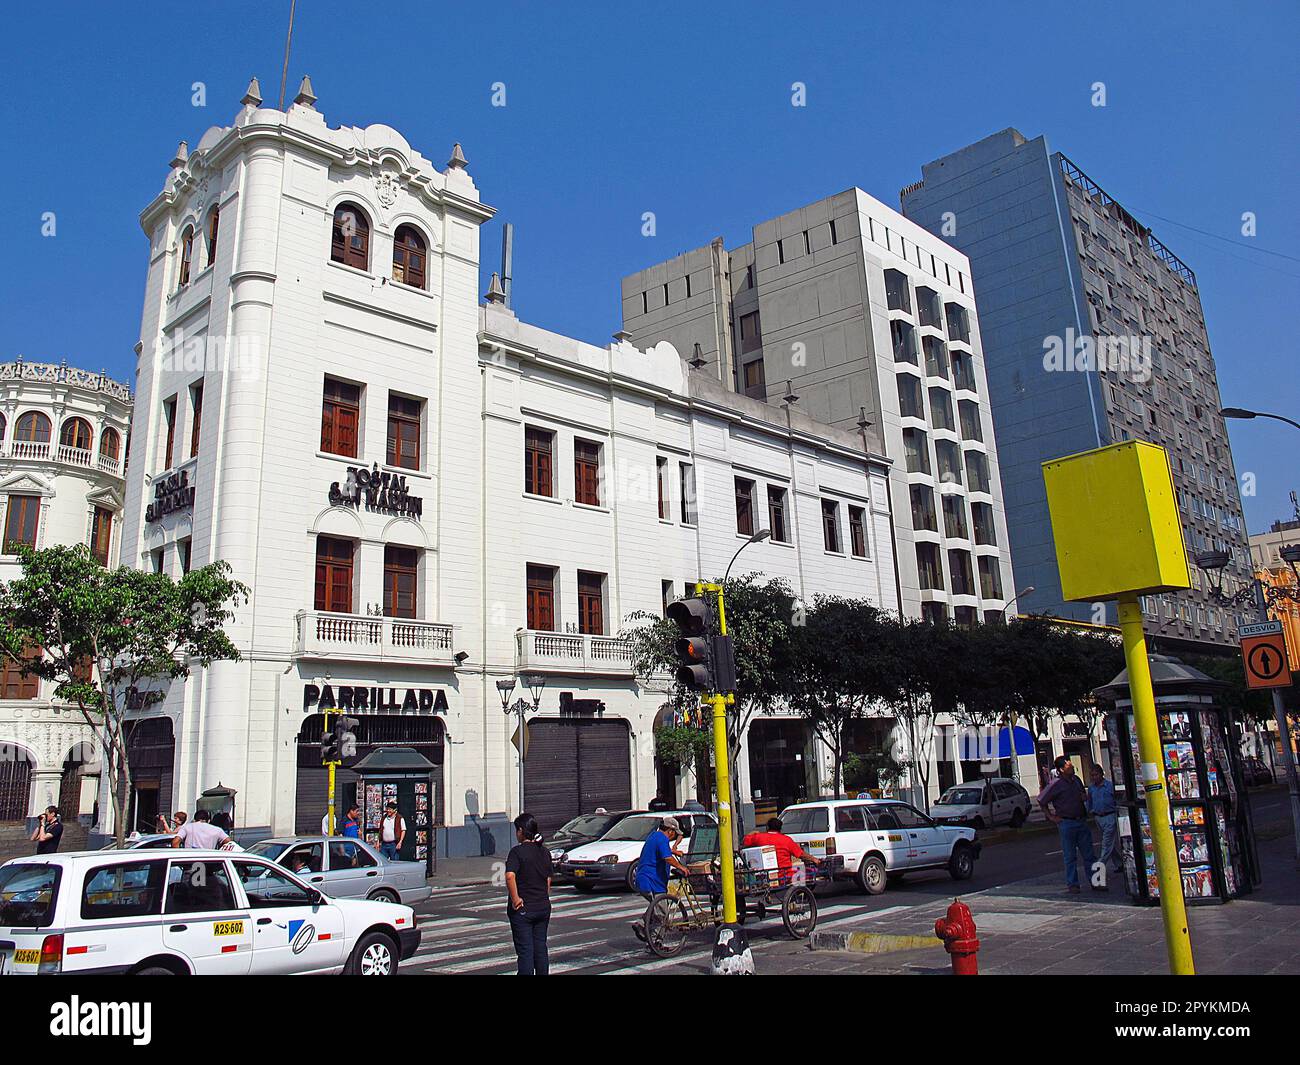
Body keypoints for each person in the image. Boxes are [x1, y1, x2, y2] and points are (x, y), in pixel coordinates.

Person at [1038, 756, 1100, 893]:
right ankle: (1073, 884)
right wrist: (1051, 817)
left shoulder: (1076, 780)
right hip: (1066, 822)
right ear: (1061, 769)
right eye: (1068, 766)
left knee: (1089, 854)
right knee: (1070, 856)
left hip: (1081, 820)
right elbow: (1042, 800)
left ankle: (1096, 881)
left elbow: (1083, 794)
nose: (1071, 767)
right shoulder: (1055, 784)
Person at [505, 812, 553, 976]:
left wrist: (515, 899)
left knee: (525, 951)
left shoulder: (517, 852)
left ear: (520, 831)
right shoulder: (544, 852)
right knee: (540, 948)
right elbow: (547, 879)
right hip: (542, 906)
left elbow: (510, 875)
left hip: (524, 910)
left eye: (516, 831)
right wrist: (543, 896)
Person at [631, 817, 692, 942]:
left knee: (658, 908)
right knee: (662, 912)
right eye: (674, 834)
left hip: (645, 879)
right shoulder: (662, 839)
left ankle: (645, 927)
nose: (674, 836)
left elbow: (662, 852)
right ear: (670, 830)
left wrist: (674, 850)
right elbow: (667, 858)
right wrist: (681, 867)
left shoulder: (654, 836)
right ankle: (652, 938)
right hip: (652, 881)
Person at [742, 817, 820, 882]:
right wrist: (813, 859)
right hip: (784, 875)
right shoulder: (786, 840)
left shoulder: (758, 837)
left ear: (767, 827)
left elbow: (745, 841)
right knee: (808, 872)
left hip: (764, 876)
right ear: (780, 828)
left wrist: (754, 833)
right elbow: (801, 854)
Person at [1087, 765, 1120, 876]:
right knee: (1109, 843)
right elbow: (1090, 801)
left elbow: (1117, 800)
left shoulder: (1109, 786)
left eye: (1096, 775)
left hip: (1109, 815)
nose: (1094, 777)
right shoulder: (1092, 788)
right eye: (1092, 775)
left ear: (1102, 774)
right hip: (1098, 817)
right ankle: (1119, 863)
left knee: (1106, 843)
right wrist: (1090, 811)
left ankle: (1099, 866)